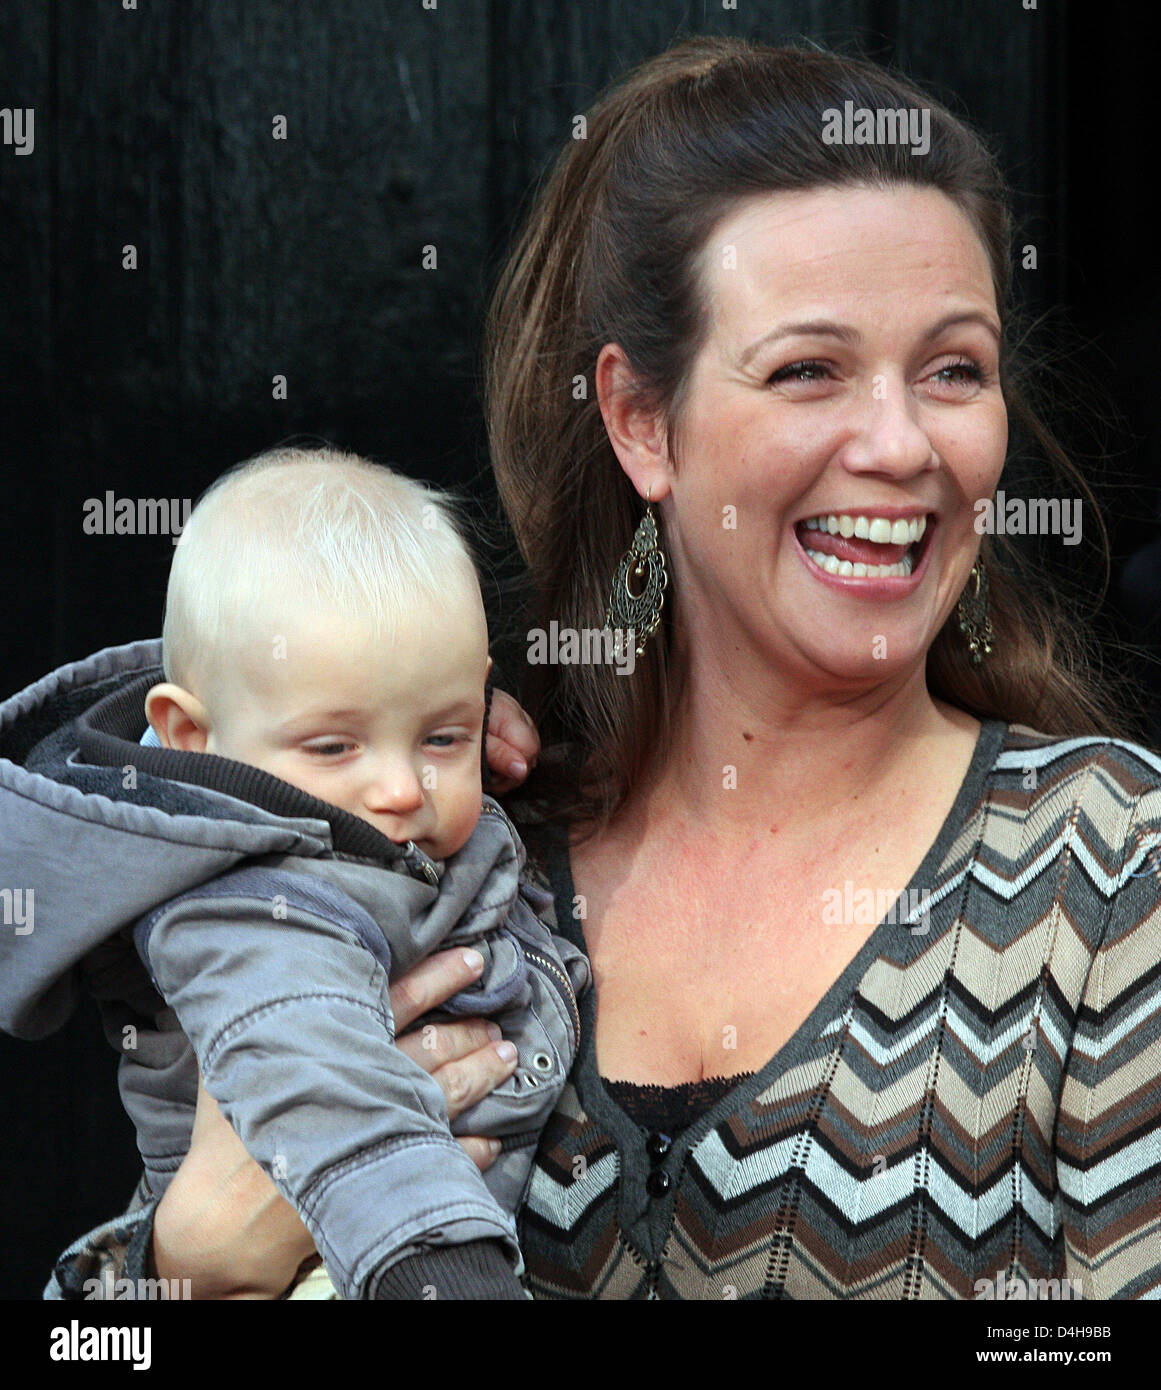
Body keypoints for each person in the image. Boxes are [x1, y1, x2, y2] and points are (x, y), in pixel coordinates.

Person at [29, 34, 1161, 1300]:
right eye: (808, 370)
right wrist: (189, 1266)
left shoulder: (1112, 870)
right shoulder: (446, 840)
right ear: (639, 421)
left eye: (955, 368)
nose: (901, 444)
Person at [0, 445, 589, 1300]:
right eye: (333, 745)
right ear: (190, 736)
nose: (398, 787)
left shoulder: (374, 833)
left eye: (441, 735)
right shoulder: (243, 906)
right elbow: (328, 1095)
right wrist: (446, 1274)